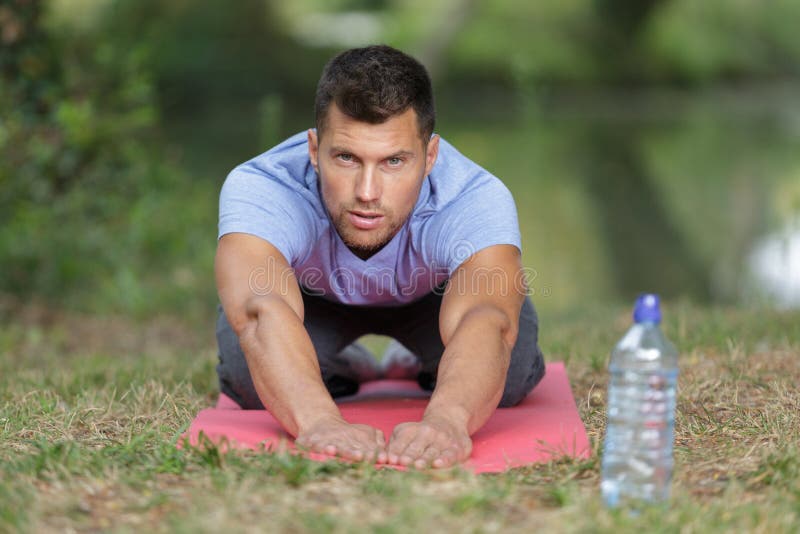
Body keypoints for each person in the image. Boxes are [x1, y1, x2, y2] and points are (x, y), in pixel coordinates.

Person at [214, 45, 545, 469]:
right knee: (249, 374)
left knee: (510, 373)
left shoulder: (474, 196)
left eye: (393, 161)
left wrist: (447, 421)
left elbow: (488, 316)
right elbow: (260, 310)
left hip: (436, 298)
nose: (367, 193)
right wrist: (318, 421)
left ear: (429, 157)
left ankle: (422, 361)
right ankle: (345, 365)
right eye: (347, 158)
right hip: (310, 299)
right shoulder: (262, 185)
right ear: (314, 151)